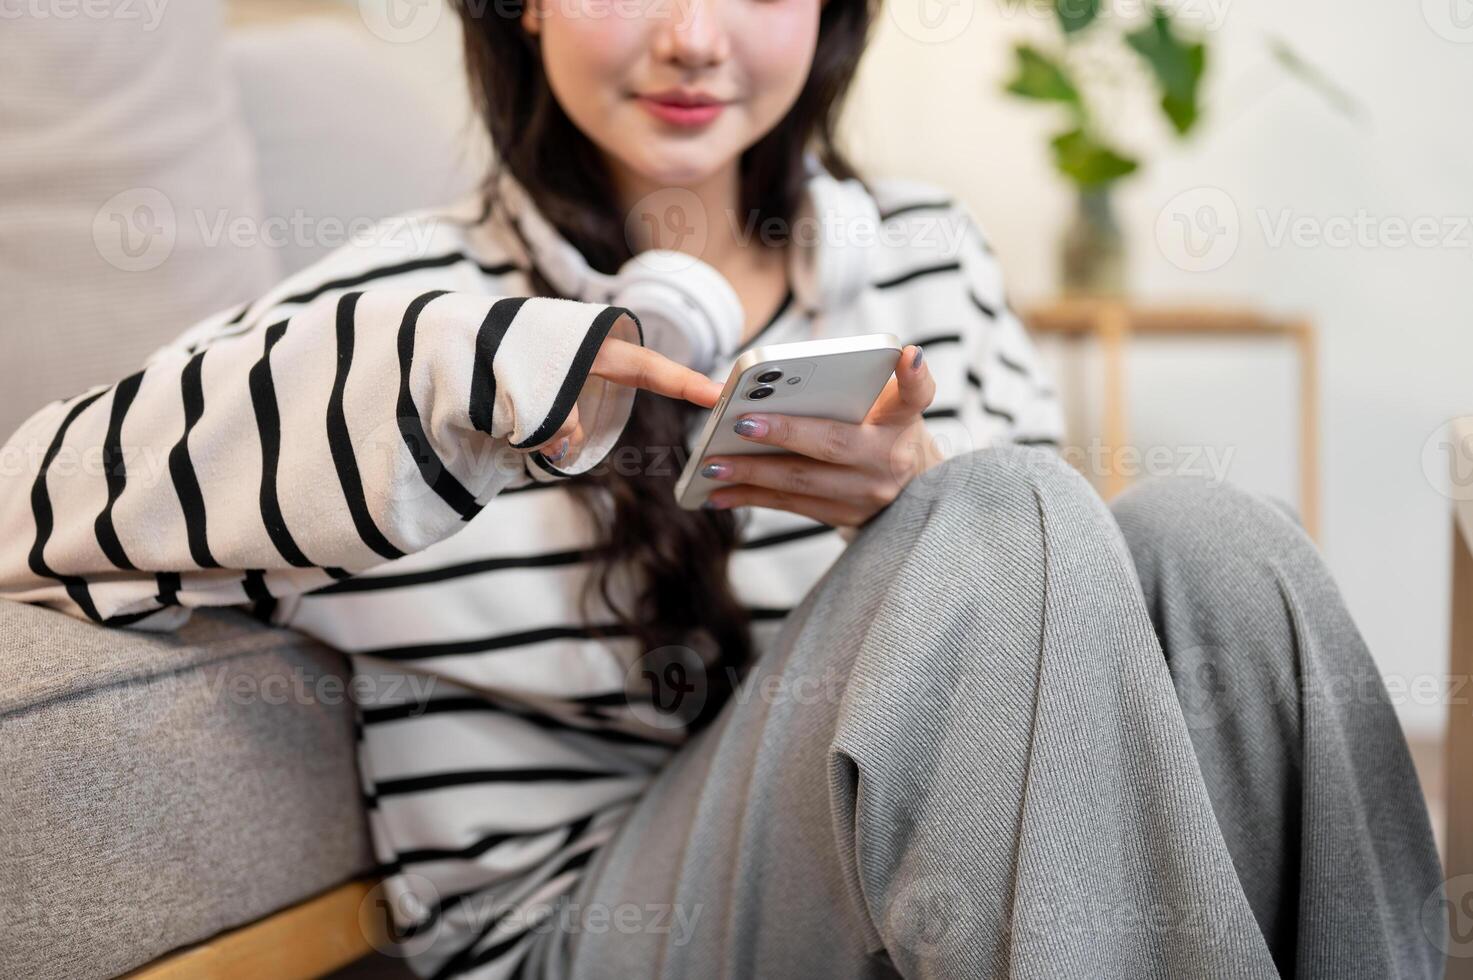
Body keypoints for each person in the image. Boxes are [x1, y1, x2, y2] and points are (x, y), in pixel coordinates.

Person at [0, 0, 1444, 977]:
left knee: (1209, 537)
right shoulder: (399, 301)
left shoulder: (923, 254)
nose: (694, 39)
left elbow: (1069, 704)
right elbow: (26, 509)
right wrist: (472, 377)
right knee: (996, 518)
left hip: (899, 886)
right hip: (575, 931)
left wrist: (913, 503)